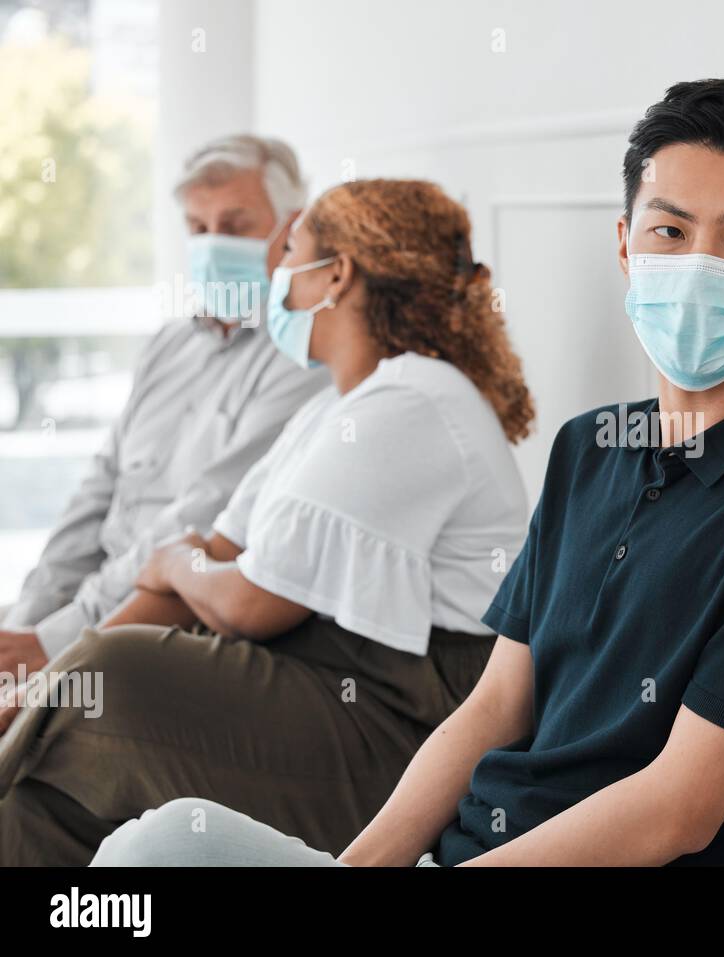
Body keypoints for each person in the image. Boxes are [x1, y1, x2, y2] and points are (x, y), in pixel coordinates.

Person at [89, 78, 724, 868]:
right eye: (670, 232)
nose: (698, 266)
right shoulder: (591, 449)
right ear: (625, 246)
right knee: (156, 844)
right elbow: (496, 705)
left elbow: (675, 812)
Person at [0, 179, 534, 865]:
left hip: (401, 733)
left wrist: (165, 574)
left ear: (337, 274)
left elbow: (248, 603)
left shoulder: (416, 397)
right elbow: (209, 555)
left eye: (292, 253)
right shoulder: (329, 412)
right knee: (42, 800)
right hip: (316, 693)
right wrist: (71, 662)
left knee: (113, 675)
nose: (276, 278)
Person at [0, 134, 326, 674]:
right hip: (81, 610)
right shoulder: (168, 344)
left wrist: (56, 640)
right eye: (197, 228)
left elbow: (203, 520)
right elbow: (96, 493)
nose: (211, 245)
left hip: (168, 622)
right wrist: (30, 619)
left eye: (236, 224)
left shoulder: (304, 357)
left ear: (291, 228)